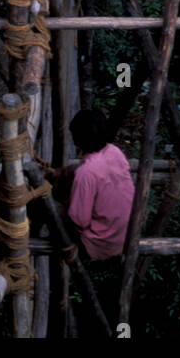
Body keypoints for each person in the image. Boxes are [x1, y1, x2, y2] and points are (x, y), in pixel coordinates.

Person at [51, 110, 135, 261]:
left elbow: (79, 220)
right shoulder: (114, 152)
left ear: (77, 140)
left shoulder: (86, 173)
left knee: (45, 205)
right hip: (125, 235)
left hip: (98, 244)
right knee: (70, 172)